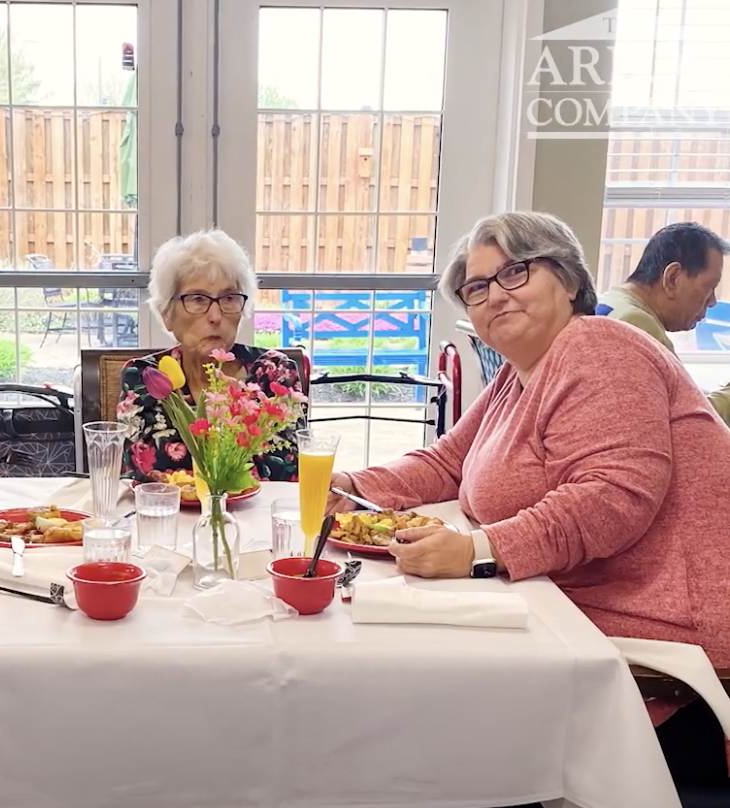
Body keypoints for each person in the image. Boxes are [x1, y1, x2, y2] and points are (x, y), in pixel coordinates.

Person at [328, 211, 730, 787]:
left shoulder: (601, 347)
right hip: (571, 607)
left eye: (515, 272)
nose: (494, 295)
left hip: (661, 638)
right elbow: (446, 462)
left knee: (408, 689)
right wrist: (354, 485)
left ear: (568, 281)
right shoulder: (519, 375)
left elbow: (611, 498)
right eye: (476, 287)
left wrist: (477, 550)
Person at [118, 228, 305, 481]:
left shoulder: (273, 374)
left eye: (228, 298)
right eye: (197, 299)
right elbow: (140, 479)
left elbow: (287, 475)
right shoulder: (145, 378)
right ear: (166, 313)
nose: (216, 316)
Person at [596, 221, 730, 423]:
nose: (712, 301)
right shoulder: (637, 326)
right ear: (672, 278)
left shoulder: (610, 303)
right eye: (709, 287)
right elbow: (690, 423)